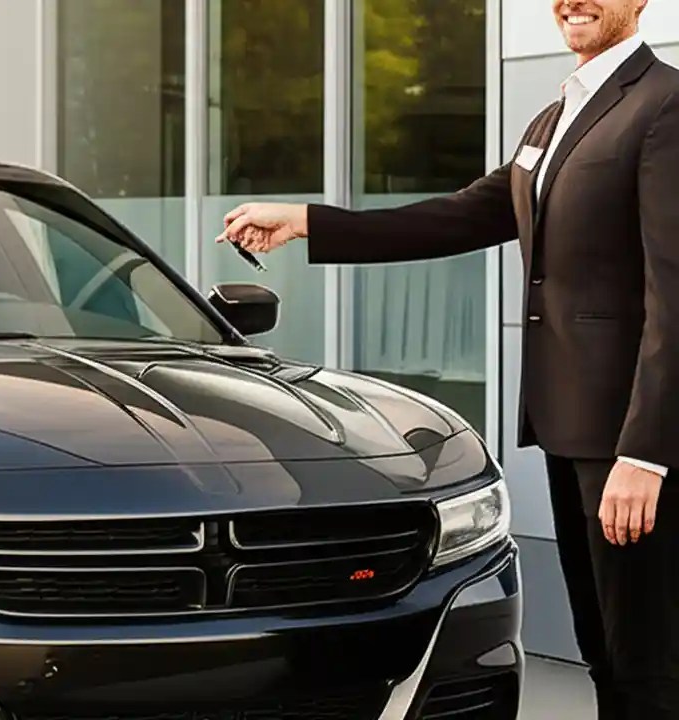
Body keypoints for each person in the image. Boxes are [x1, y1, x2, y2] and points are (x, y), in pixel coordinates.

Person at [219, 1, 679, 717]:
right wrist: (310, 221)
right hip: (573, 425)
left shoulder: (665, 105)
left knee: (649, 660)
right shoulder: (559, 116)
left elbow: (675, 295)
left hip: (629, 443)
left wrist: (647, 454)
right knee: (606, 651)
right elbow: (465, 214)